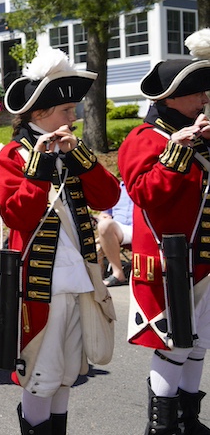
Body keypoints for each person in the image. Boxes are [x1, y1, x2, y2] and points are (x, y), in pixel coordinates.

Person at [0, 46, 120, 435]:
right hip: (39, 285)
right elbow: (18, 215)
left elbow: (108, 197)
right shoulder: (13, 155)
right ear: (38, 114)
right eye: (66, 111)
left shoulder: (73, 150)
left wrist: (79, 157)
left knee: (67, 373)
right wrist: (42, 166)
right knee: (40, 374)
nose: (74, 116)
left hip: (79, 278)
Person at [118, 28, 210, 435]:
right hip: (169, 260)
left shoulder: (201, 135)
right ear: (171, 99)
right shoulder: (144, 138)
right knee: (174, 346)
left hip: (203, 258)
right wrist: (177, 151)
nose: (204, 100)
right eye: (197, 95)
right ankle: (162, 427)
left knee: (200, 344)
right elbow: (144, 193)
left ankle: (189, 421)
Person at [95, 181, 134, 287]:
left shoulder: (143, 184)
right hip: (120, 229)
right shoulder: (116, 189)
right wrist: (103, 217)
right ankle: (118, 273)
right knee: (104, 225)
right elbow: (105, 213)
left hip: (142, 227)